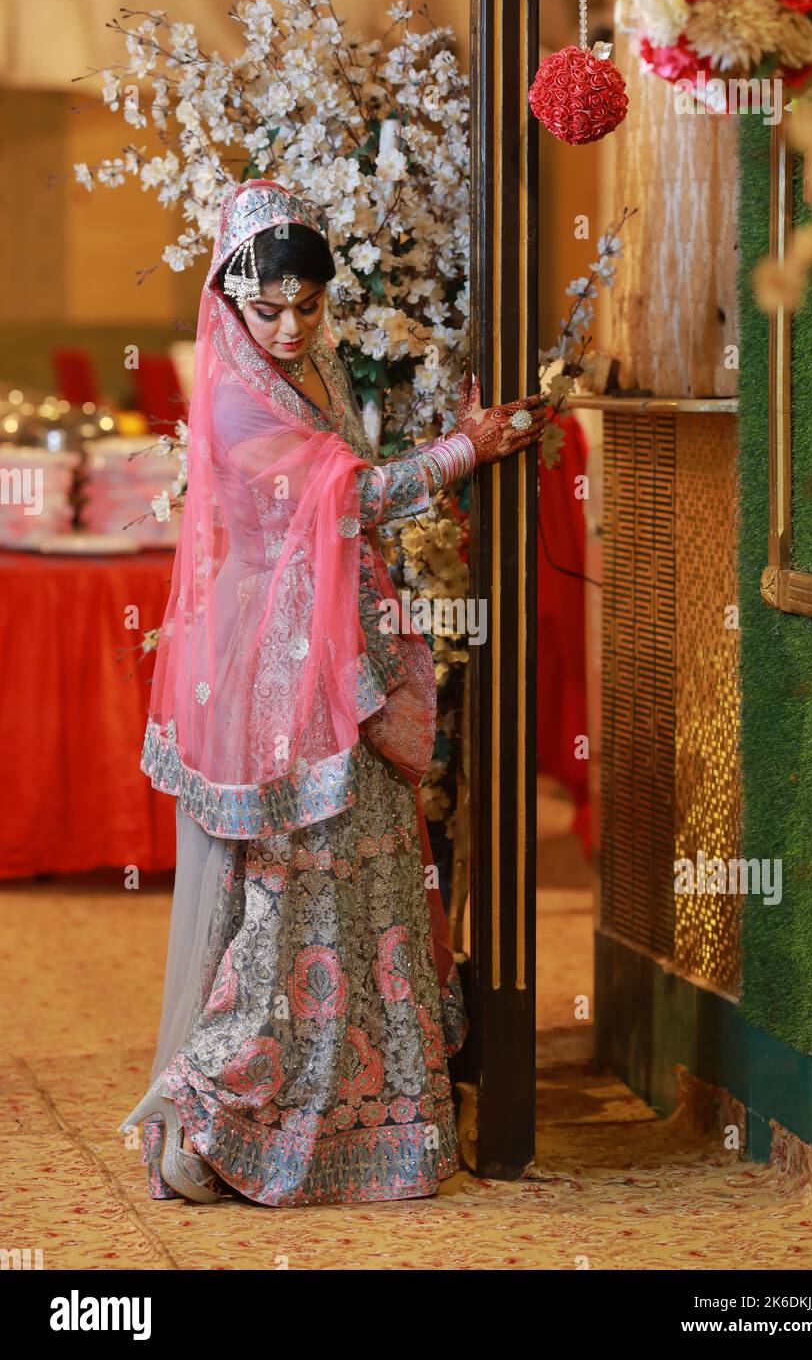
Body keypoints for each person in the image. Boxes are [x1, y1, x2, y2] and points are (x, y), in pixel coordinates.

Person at [119, 178, 546, 1206]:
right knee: (288, 893)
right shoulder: (231, 388)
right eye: (264, 305)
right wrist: (465, 449)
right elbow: (346, 491)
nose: (286, 324)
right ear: (229, 292)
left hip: (333, 646)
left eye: (305, 304)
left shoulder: (310, 364)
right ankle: (221, 1120)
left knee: (373, 873)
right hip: (278, 672)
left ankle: (371, 1128)